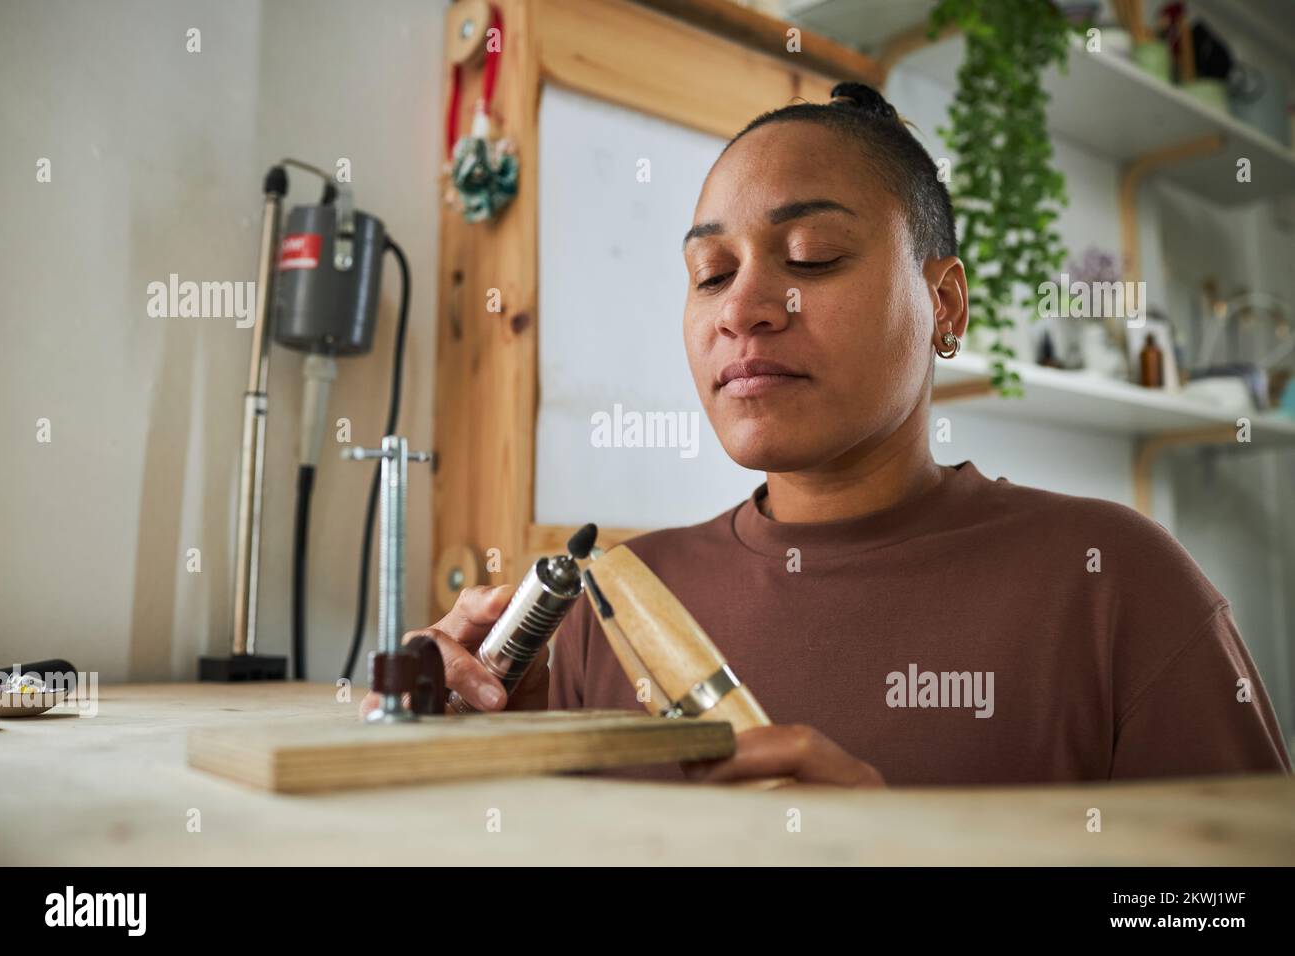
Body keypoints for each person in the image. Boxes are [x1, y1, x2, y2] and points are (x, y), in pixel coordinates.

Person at [364, 82, 1290, 788]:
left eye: (812, 257)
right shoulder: (614, 613)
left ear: (943, 302)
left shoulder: (1115, 582)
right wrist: (442, 751)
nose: (745, 308)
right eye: (710, 271)